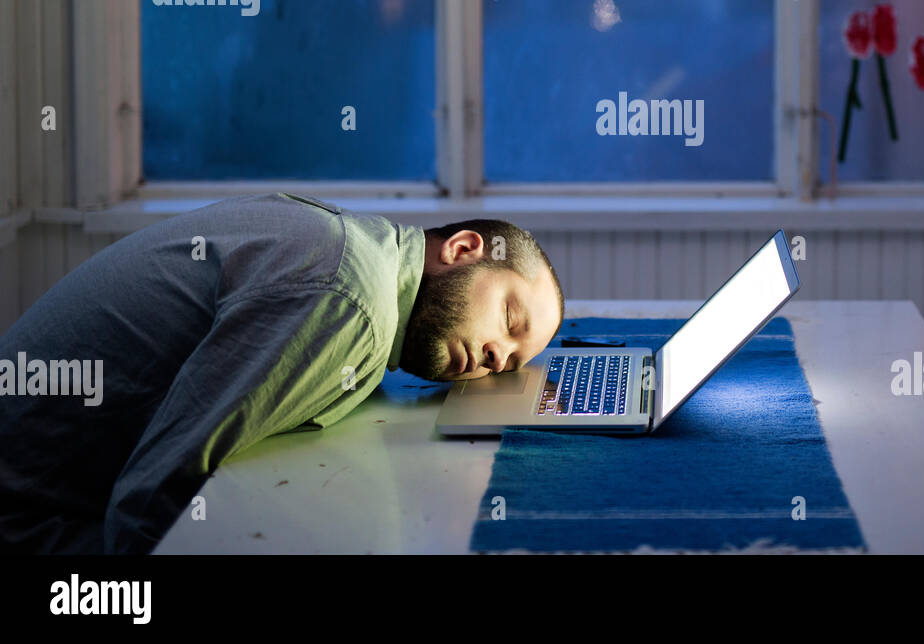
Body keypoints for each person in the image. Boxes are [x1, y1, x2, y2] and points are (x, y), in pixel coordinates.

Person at [0, 192, 564, 554]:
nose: (498, 358)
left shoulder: (359, 246)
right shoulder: (353, 301)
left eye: (514, 362)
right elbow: (151, 505)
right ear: (463, 248)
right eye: (509, 319)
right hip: (33, 517)